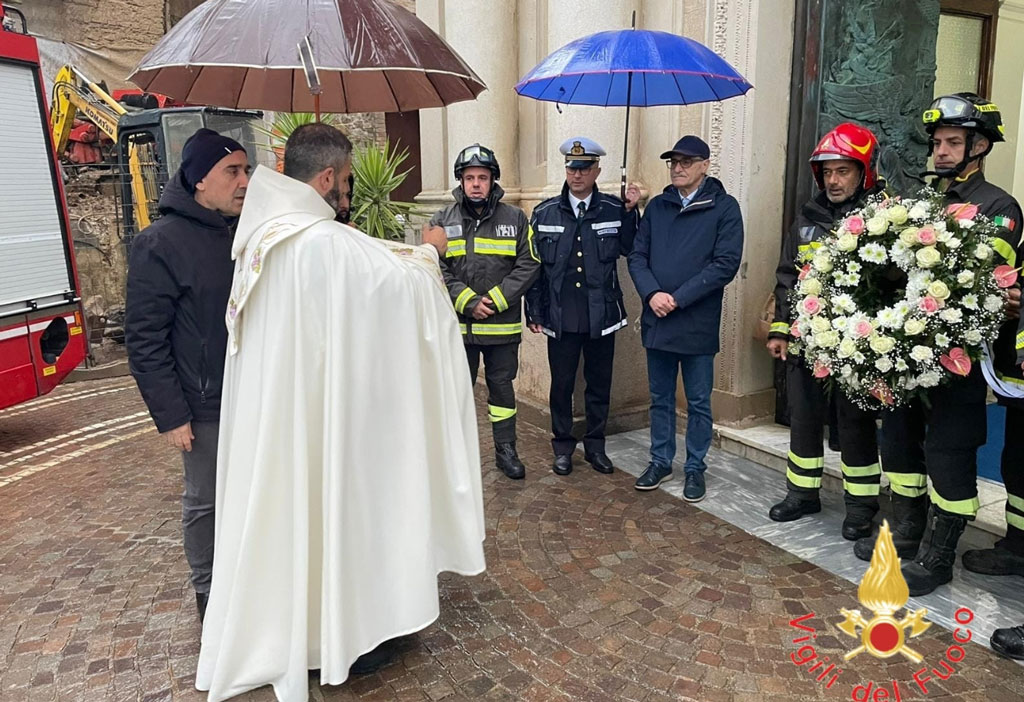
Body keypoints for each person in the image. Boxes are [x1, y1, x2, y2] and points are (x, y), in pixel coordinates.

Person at [195, 124, 486, 702]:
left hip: (284, 416)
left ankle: (298, 626)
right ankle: (346, 633)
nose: (350, 193)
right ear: (326, 178)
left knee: (294, 511)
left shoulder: (261, 239)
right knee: (341, 510)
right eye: (348, 181)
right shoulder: (321, 244)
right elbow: (402, 290)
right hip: (331, 419)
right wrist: (432, 250)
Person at [865, 93, 1023, 596]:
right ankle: (908, 529)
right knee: (900, 438)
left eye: (954, 142)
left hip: (960, 358)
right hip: (908, 352)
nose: (942, 152)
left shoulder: (999, 205)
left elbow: (977, 281)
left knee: (949, 450)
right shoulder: (923, 201)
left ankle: (938, 556)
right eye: (937, 143)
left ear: (979, 147)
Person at [124, 128, 249, 623]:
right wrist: (172, 414)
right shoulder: (158, 244)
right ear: (200, 180)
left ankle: (248, 580)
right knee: (207, 501)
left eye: (246, 170)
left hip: (252, 390)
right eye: (232, 171)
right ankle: (209, 593)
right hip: (204, 403)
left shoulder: (245, 234)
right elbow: (145, 338)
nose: (244, 181)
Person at [766, 123, 901, 541]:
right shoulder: (807, 218)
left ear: (864, 173)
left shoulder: (882, 218)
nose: (834, 180)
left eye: (843, 171)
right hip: (808, 340)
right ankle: (802, 494)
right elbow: (787, 274)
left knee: (854, 422)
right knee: (803, 418)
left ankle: (860, 507)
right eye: (827, 172)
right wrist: (781, 329)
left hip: (857, 344)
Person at [627, 136, 744, 501]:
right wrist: (652, 294)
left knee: (698, 401)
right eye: (673, 161)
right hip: (658, 319)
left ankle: (695, 467)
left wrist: (677, 299)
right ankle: (660, 460)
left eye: (687, 161)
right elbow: (637, 256)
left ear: (705, 165)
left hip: (696, 321)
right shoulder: (658, 207)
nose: (678, 167)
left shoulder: (724, 208)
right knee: (660, 398)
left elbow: (724, 264)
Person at [525, 137, 640, 476]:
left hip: (600, 314)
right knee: (561, 386)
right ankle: (562, 447)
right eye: (572, 168)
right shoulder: (544, 212)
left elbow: (631, 248)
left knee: (598, 384)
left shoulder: (613, 209)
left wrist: (633, 212)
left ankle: (595, 446)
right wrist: (533, 311)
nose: (577, 175)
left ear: (597, 171)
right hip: (560, 315)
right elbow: (534, 269)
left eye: (585, 168)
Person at [428, 143, 540, 479]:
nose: (476, 183)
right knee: (456, 394)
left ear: (493, 180)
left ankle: (506, 450)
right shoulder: (440, 220)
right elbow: (432, 264)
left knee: (502, 392)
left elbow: (529, 263)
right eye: (470, 177)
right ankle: (455, 458)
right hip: (458, 329)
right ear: (460, 181)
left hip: (501, 329)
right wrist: (467, 301)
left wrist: (494, 299)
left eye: (483, 177)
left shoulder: (516, 218)